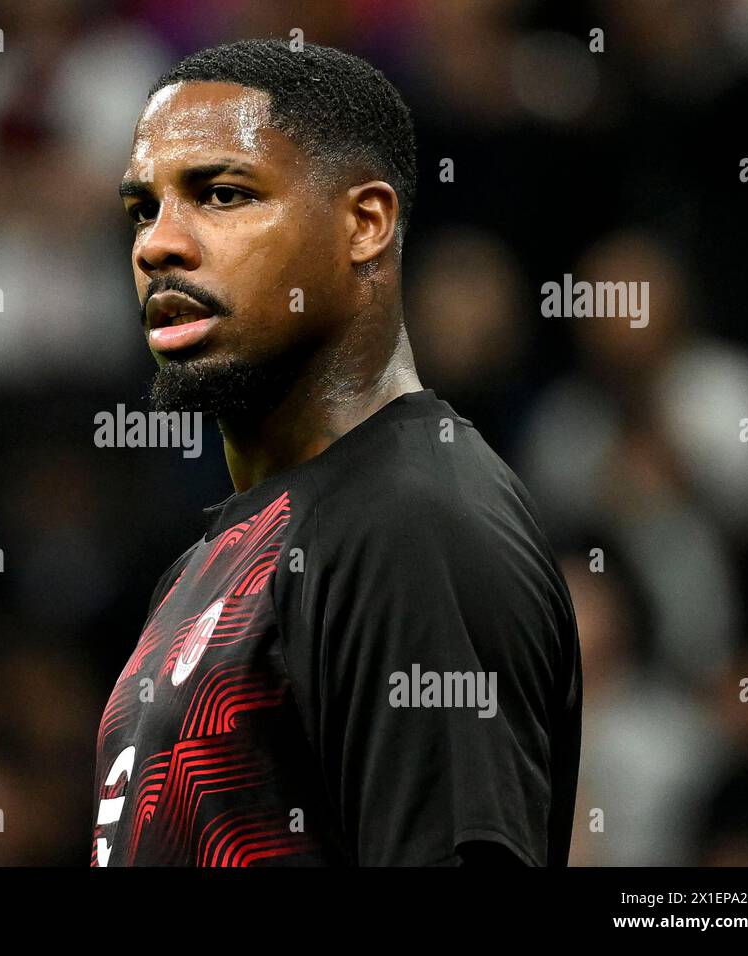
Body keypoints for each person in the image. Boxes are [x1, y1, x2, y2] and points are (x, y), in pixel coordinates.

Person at [91, 39, 581, 866]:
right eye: (144, 208)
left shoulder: (412, 525)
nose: (157, 246)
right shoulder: (214, 558)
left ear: (365, 224)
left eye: (220, 193)